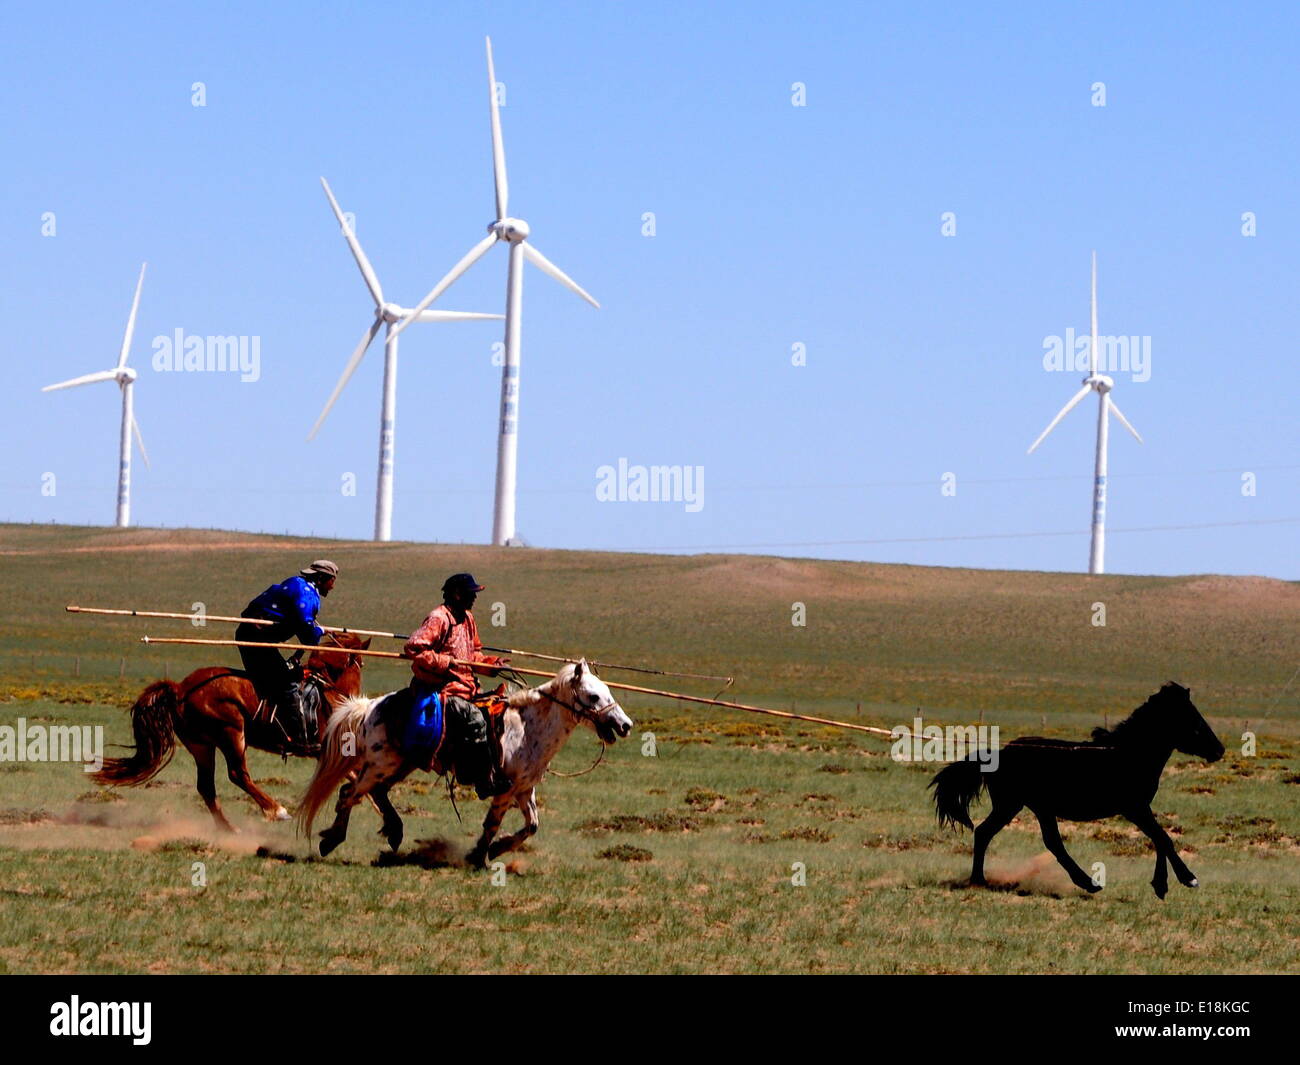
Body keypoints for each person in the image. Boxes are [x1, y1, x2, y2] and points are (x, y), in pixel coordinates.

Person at [402, 573, 508, 797]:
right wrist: (444, 661)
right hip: (444, 689)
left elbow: (473, 655)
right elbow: (414, 648)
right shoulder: (438, 618)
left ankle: (495, 771)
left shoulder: (468, 618)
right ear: (457, 594)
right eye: (471, 594)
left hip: (468, 686)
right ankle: (477, 779)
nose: (474, 599)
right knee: (475, 719)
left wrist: (491, 665)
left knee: (497, 712)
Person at [236, 560, 338, 754]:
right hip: (256, 637)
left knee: (285, 677)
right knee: (288, 685)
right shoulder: (306, 593)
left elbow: (301, 628)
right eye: (332, 581)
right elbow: (306, 630)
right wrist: (320, 630)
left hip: (255, 635)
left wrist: (299, 654)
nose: (332, 587)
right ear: (322, 578)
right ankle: (298, 741)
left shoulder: (298, 585)